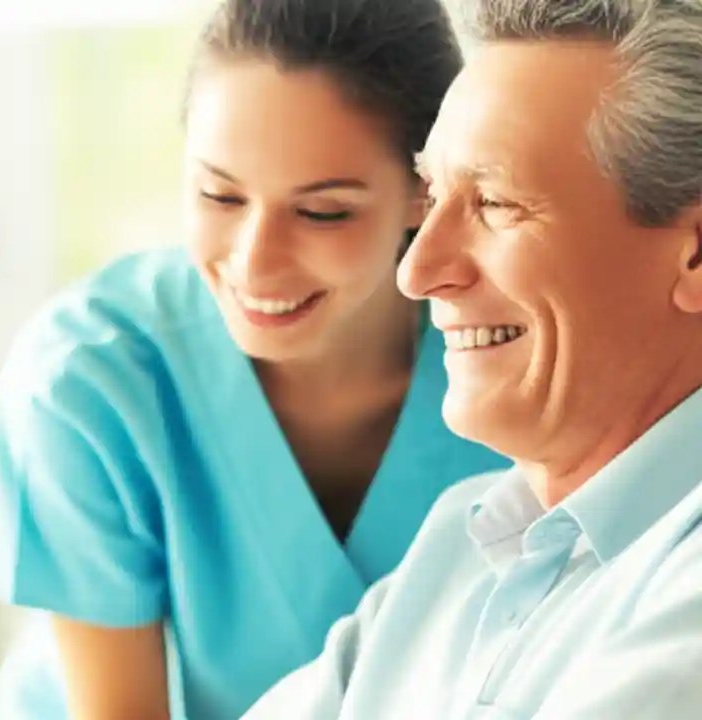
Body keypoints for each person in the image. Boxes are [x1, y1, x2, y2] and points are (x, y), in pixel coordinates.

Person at [0, 1, 508, 718]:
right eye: (219, 194)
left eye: (322, 211)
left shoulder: (512, 362)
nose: (256, 262)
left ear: (424, 190)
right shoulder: (89, 381)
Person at [242, 1, 702, 717]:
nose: (418, 272)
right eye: (433, 195)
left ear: (696, 252)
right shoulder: (463, 542)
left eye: (494, 203)